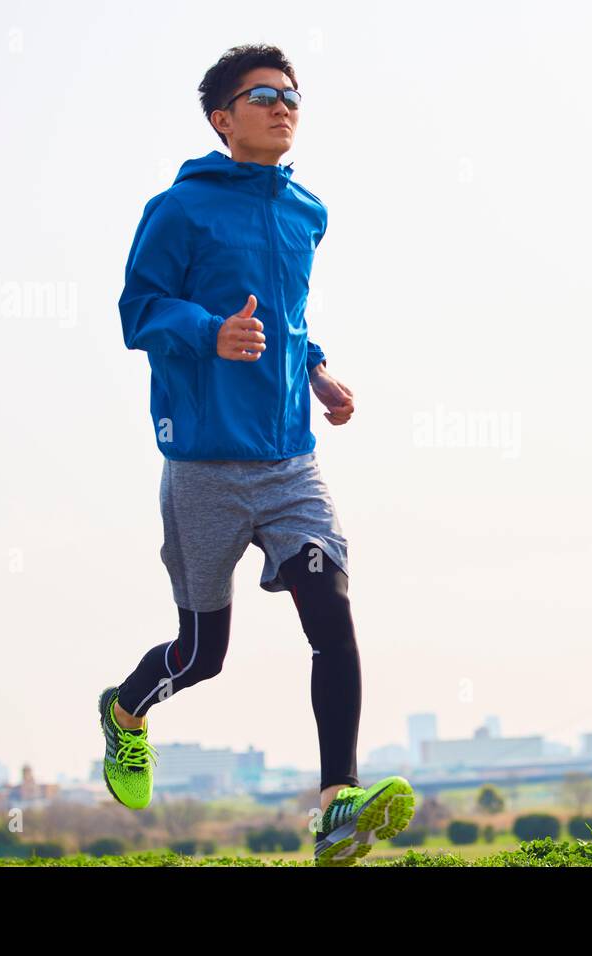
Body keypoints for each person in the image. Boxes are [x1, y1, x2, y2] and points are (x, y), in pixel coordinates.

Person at [97, 43, 414, 866]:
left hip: (290, 464)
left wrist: (317, 372)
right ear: (222, 118)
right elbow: (139, 311)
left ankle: (337, 807)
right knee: (204, 655)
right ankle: (126, 714)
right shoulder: (179, 210)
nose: (283, 105)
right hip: (204, 465)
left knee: (331, 614)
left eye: (293, 95)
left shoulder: (307, 210)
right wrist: (211, 333)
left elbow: (291, 315)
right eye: (263, 94)